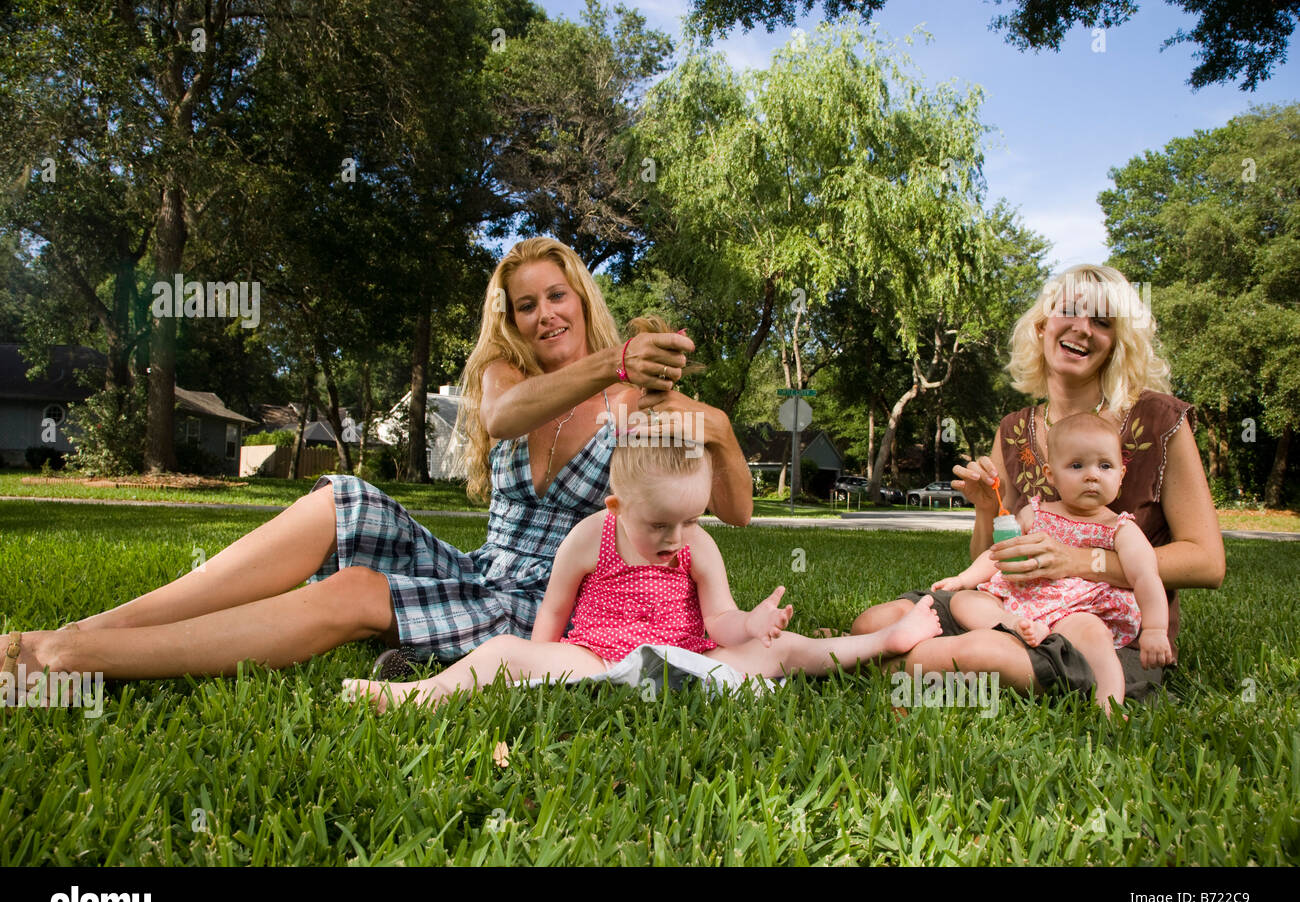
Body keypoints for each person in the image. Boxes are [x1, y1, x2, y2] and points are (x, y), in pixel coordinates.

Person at [2, 238, 754, 691]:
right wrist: (609, 364)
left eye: (556, 295)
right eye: (525, 305)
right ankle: (91, 628)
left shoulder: (645, 409)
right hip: (482, 569)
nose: (544, 314)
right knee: (346, 496)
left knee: (357, 593)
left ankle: (71, 656)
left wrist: (718, 431)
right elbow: (501, 418)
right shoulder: (504, 375)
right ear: (510, 319)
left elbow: (736, 512)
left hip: (544, 610)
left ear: (582, 298)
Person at [849, 264, 1224, 704]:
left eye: (1102, 322)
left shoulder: (1158, 419)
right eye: (1070, 311)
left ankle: (890, 664)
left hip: (1096, 630)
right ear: (1043, 324)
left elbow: (1207, 563)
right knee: (871, 622)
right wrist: (986, 511)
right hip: (1010, 609)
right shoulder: (1013, 428)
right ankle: (899, 656)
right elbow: (996, 559)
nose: (1082, 330)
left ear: (1118, 342)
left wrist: (1078, 561)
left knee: (982, 654)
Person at [344, 441, 943, 712]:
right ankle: (410, 696)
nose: (676, 538)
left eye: (690, 519)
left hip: (685, 660)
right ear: (617, 509)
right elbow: (551, 616)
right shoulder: (587, 540)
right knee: (503, 649)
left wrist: (752, 622)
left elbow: (720, 622)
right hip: (598, 661)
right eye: (660, 525)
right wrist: (538, 663)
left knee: (782, 648)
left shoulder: (696, 546)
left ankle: (883, 641)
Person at [927, 413, 1171, 713]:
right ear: (1051, 474)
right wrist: (964, 579)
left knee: (1095, 636)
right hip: (1022, 601)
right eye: (1077, 465)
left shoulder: (1121, 529)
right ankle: (1014, 626)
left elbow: (1146, 576)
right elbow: (1002, 552)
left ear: (1121, 475)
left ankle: (1108, 706)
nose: (1092, 475)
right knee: (965, 601)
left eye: (1105, 466)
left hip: (1080, 609)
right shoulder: (1036, 512)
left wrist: (1156, 629)